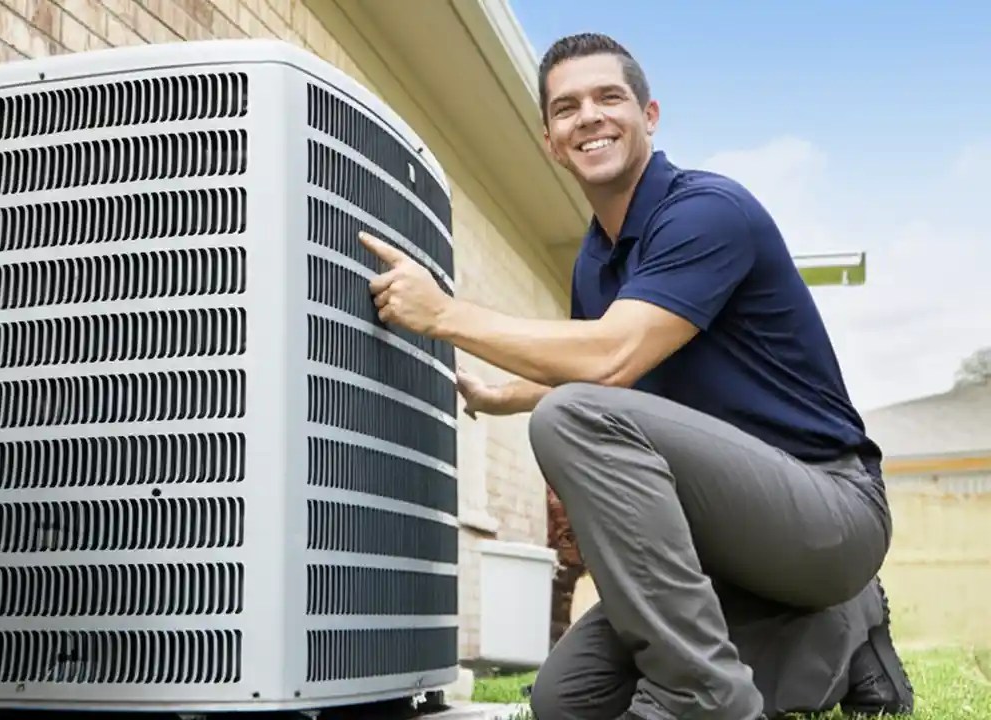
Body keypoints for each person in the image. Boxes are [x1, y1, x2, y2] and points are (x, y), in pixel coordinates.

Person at [358, 32, 913, 720]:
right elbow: (615, 369)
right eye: (566, 109)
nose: (588, 116)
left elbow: (608, 359)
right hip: (722, 535)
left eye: (607, 97)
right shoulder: (595, 263)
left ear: (649, 116)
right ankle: (842, 630)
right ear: (551, 142)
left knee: (573, 417)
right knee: (568, 701)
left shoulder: (706, 212)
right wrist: (498, 394)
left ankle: (701, 696)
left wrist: (444, 315)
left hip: (827, 510)